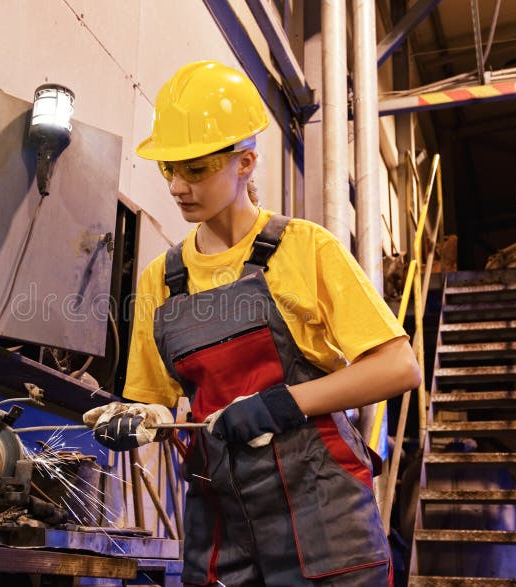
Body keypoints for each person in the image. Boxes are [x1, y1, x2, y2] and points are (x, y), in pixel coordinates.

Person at [83, 60, 421, 587]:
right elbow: (155, 398)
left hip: (324, 522)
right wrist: (137, 419)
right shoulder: (161, 279)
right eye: (167, 168)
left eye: (195, 168)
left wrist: (280, 404)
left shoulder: (304, 248)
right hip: (220, 526)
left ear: (245, 163)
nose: (176, 186)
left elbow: (399, 368)